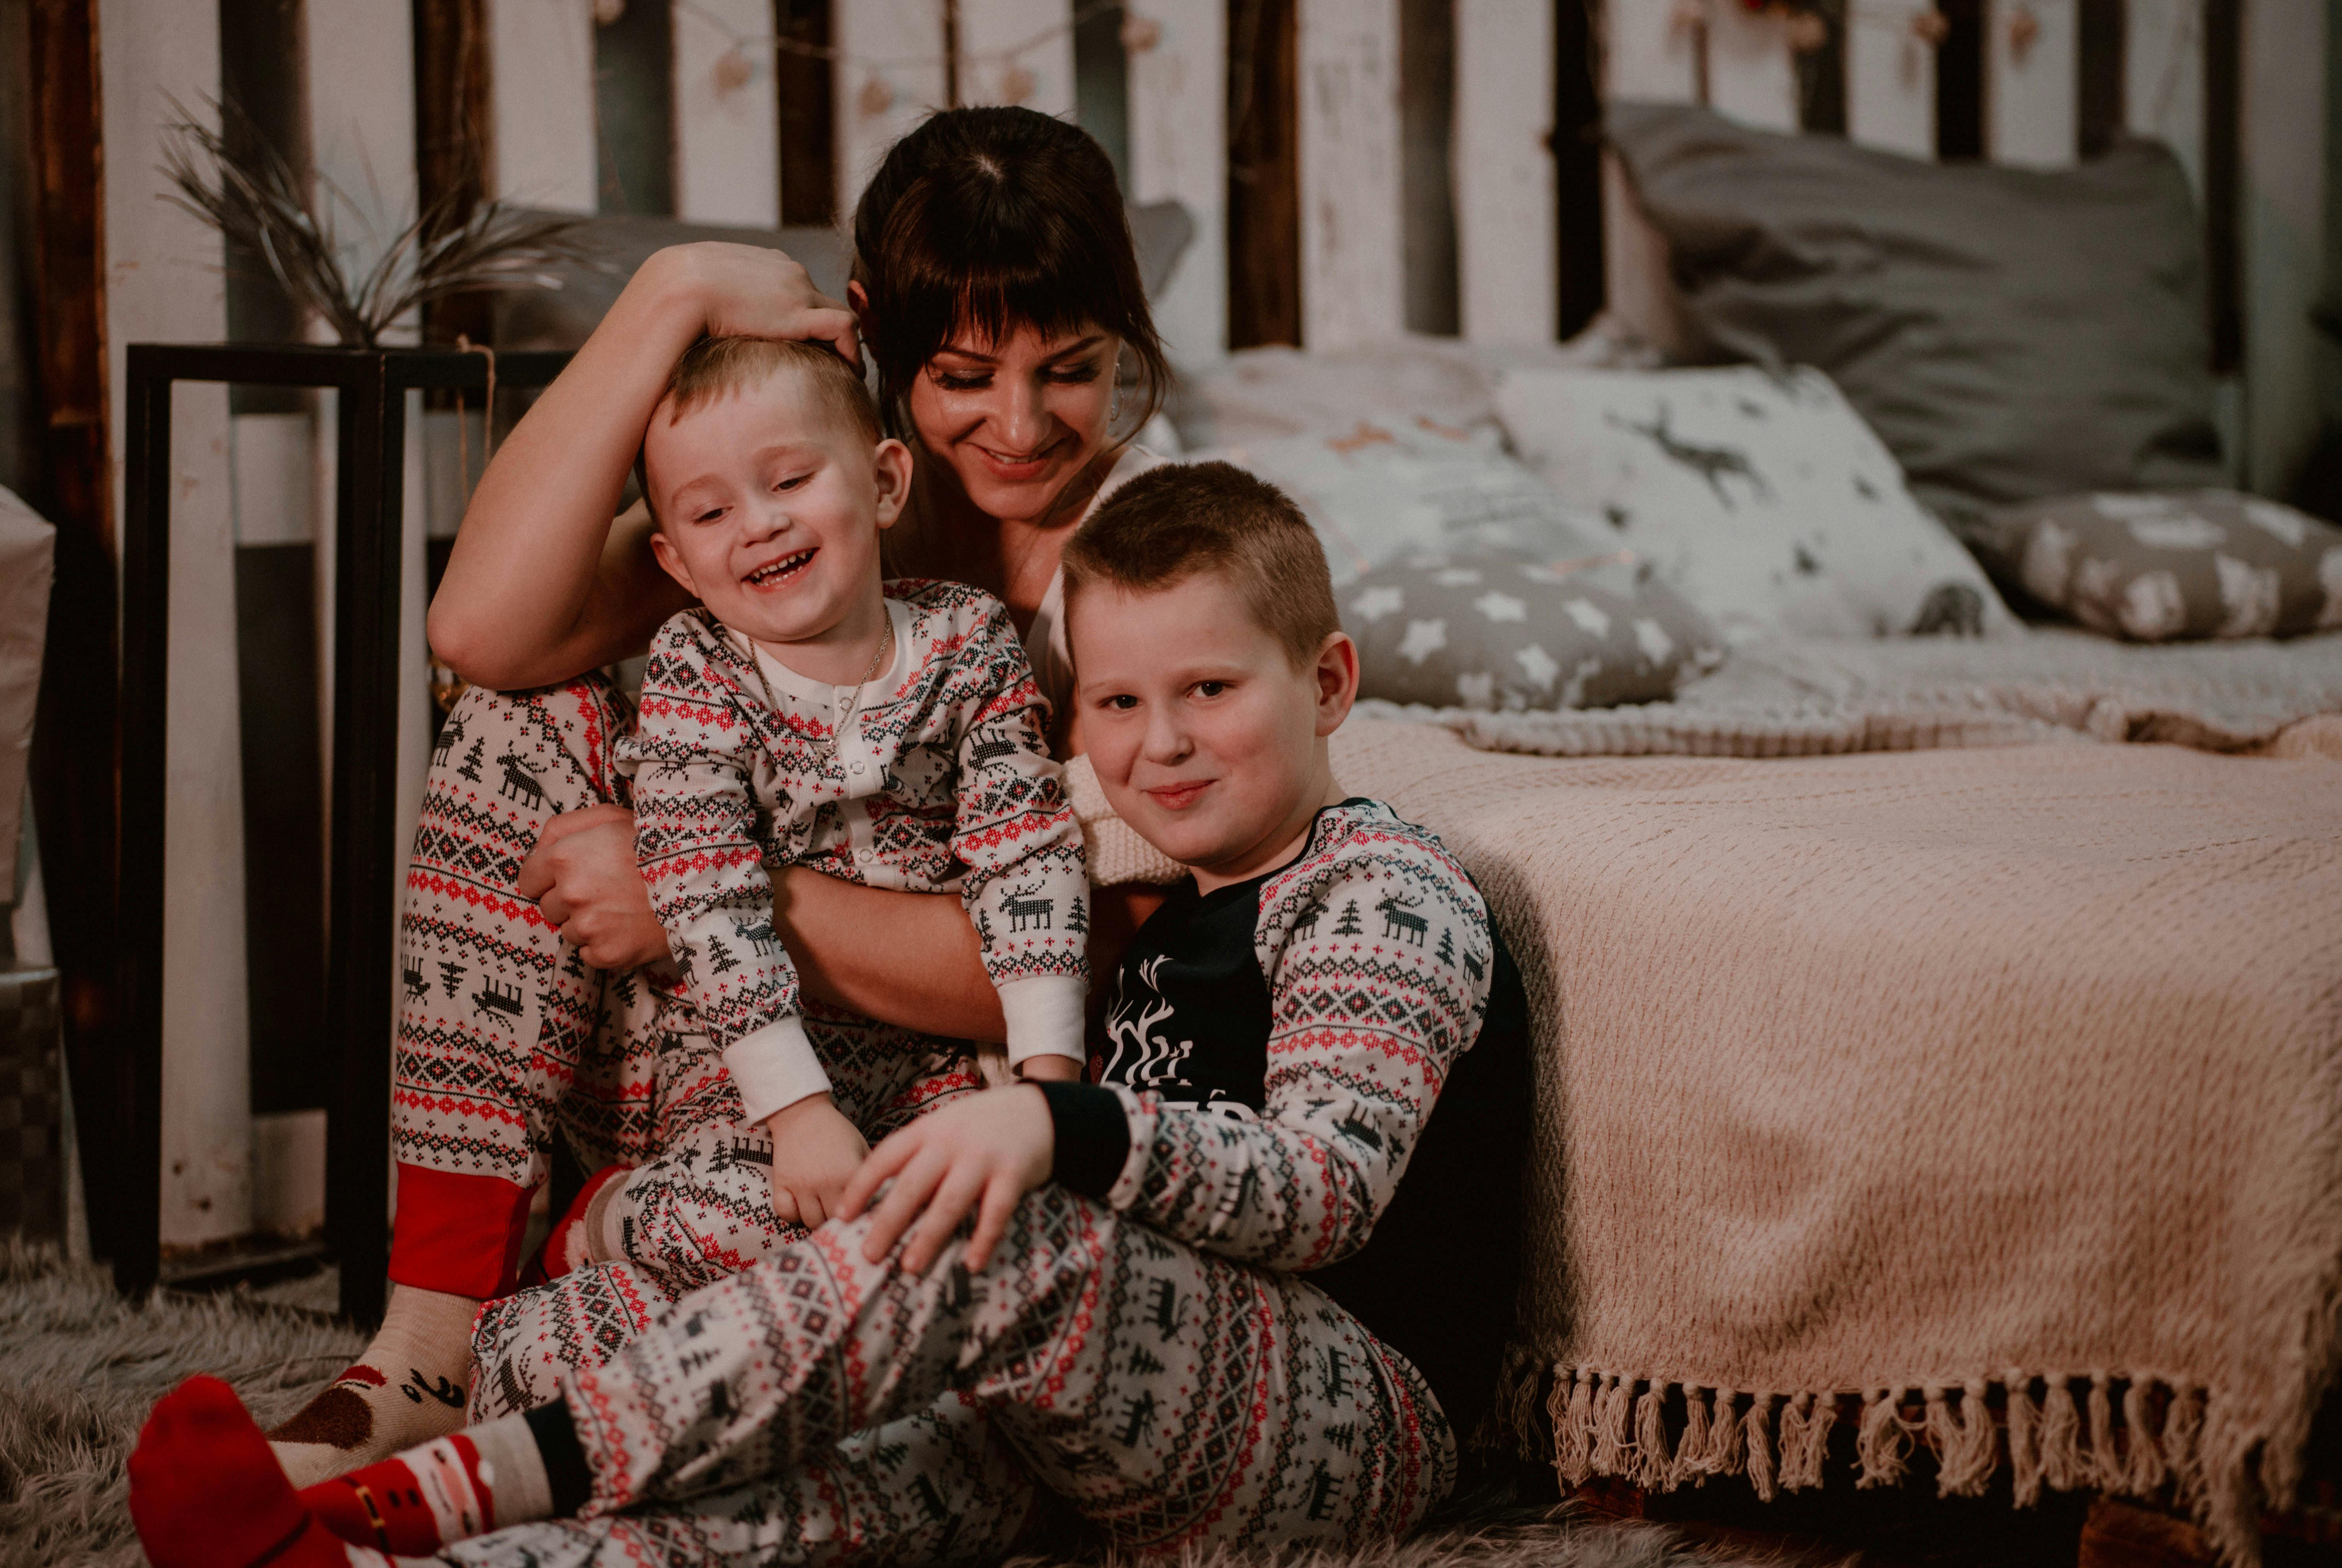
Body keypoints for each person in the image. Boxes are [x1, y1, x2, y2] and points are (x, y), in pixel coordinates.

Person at [127, 462, 1532, 1568]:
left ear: (1328, 682)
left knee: (1002, 1234)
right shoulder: (1165, 912)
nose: (1158, 742)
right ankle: (377, 1559)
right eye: (1117, 700)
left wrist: (1062, 1123)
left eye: (1209, 691)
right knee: (812, 1473)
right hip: (1113, 1384)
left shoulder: (1375, 886)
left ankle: (422, 1495)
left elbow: (1327, 1193)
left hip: (1352, 1417)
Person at [262, 105, 1179, 1486]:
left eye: (1073, 368)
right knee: (530, 712)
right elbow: (481, 632)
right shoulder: (798, 501)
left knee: (912, 1257)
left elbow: (1108, 963)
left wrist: (706, 887)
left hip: (911, 1093)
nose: (1019, 424)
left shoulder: (1145, 558)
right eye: (960, 374)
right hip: (692, 1052)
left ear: (1126, 333)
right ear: (869, 340)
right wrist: (669, 293)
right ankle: (429, 1335)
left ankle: (579, 1296)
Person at [547, 332, 1091, 1280]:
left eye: (790, 481)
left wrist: (1049, 1099)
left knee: (980, 1237)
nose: (756, 524)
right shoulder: (698, 669)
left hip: (936, 1068)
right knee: (756, 1222)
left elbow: (1028, 856)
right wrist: (796, 1113)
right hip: (742, 1075)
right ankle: (605, 1221)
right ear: (677, 561)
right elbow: (704, 895)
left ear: (884, 484)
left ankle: (607, 1345)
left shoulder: (970, 641)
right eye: (712, 512)